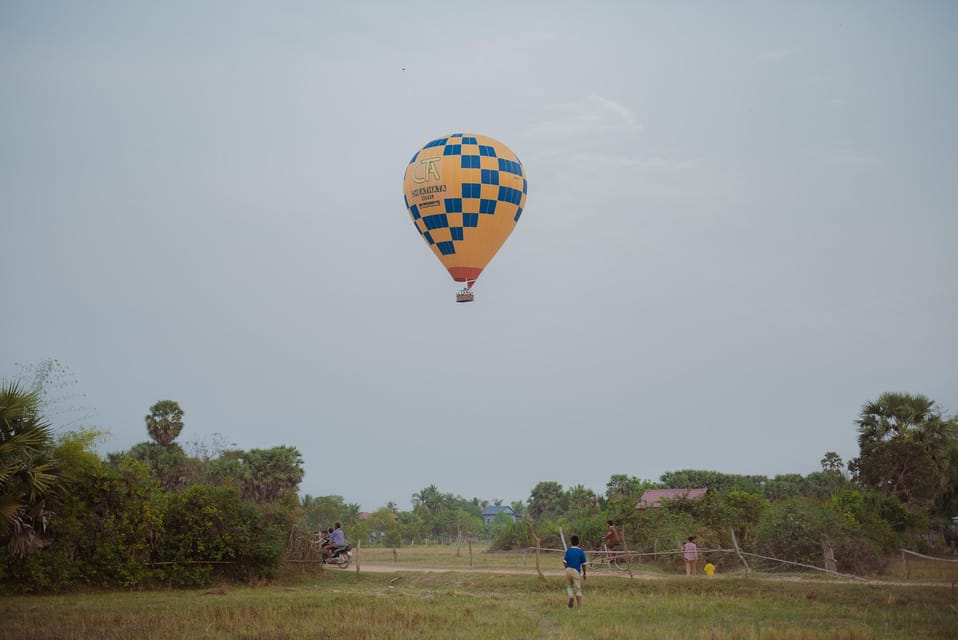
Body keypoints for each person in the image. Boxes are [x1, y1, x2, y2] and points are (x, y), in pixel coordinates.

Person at [562, 535, 588, 609]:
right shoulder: (580, 551)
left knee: (569, 586)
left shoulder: (568, 550)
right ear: (578, 542)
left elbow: (564, 562)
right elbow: (583, 564)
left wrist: (567, 568)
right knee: (578, 589)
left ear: (571, 542)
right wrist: (584, 574)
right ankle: (579, 608)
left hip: (567, 570)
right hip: (576, 571)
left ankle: (570, 596)